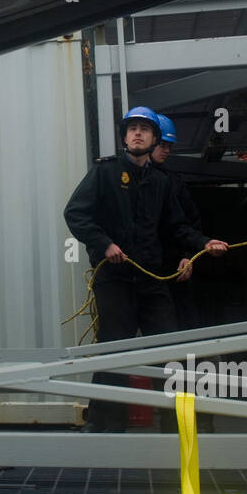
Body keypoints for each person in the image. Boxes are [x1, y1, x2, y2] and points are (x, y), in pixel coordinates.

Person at [64, 105, 228, 432]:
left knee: (169, 350)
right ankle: (104, 423)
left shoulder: (161, 183)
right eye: (132, 128)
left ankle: (176, 424)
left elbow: (176, 227)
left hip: (152, 283)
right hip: (115, 280)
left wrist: (203, 244)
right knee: (114, 349)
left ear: (153, 139)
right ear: (125, 136)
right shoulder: (104, 174)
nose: (138, 133)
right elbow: (76, 214)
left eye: (145, 129)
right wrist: (104, 244)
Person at [150, 114, 202, 330]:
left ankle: (191, 364)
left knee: (184, 322)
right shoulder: (121, 177)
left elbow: (191, 222)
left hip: (173, 267)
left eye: (169, 145)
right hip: (140, 270)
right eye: (162, 144)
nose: (167, 150)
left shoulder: (174, 182)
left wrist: (188, 257)